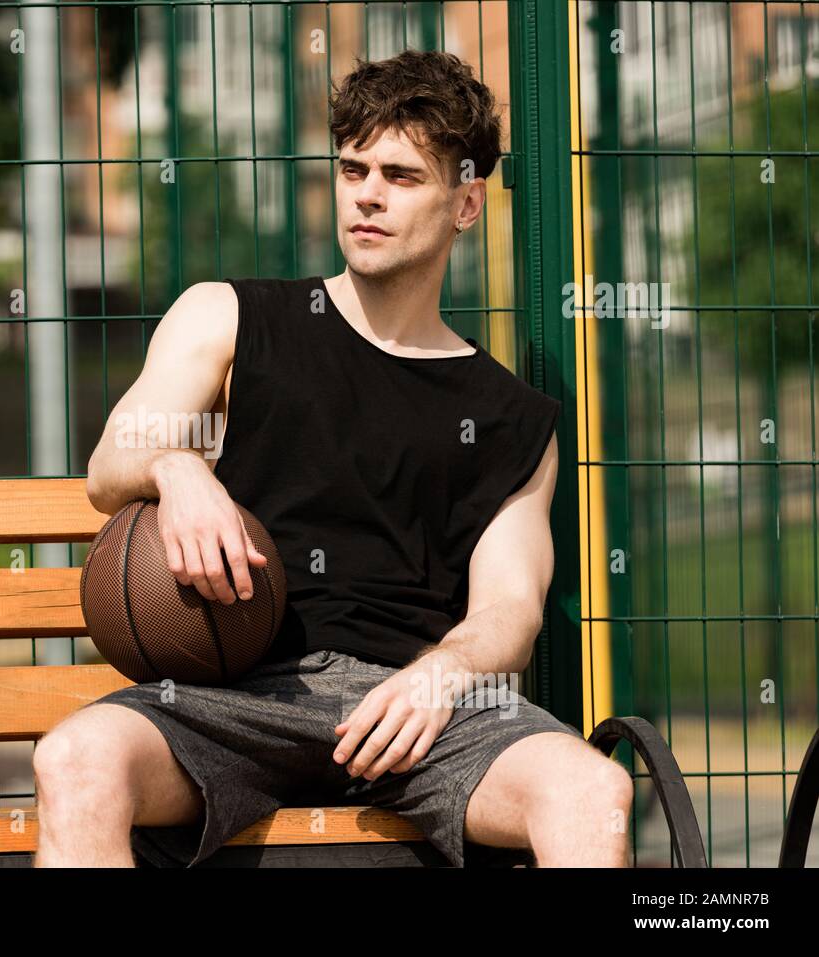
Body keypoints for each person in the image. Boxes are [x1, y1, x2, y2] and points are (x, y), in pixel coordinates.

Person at [34, 50, 633, 868]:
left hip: (416, 706)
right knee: (75, 759)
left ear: (466, 203)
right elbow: (110, 462)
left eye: (400, 174)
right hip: (234, 692)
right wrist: (178, 472)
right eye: (353, 169)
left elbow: (512, 609)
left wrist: (443, 673)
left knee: (592, 791)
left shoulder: (510, 418)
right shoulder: (232, 318)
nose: (368, 194)